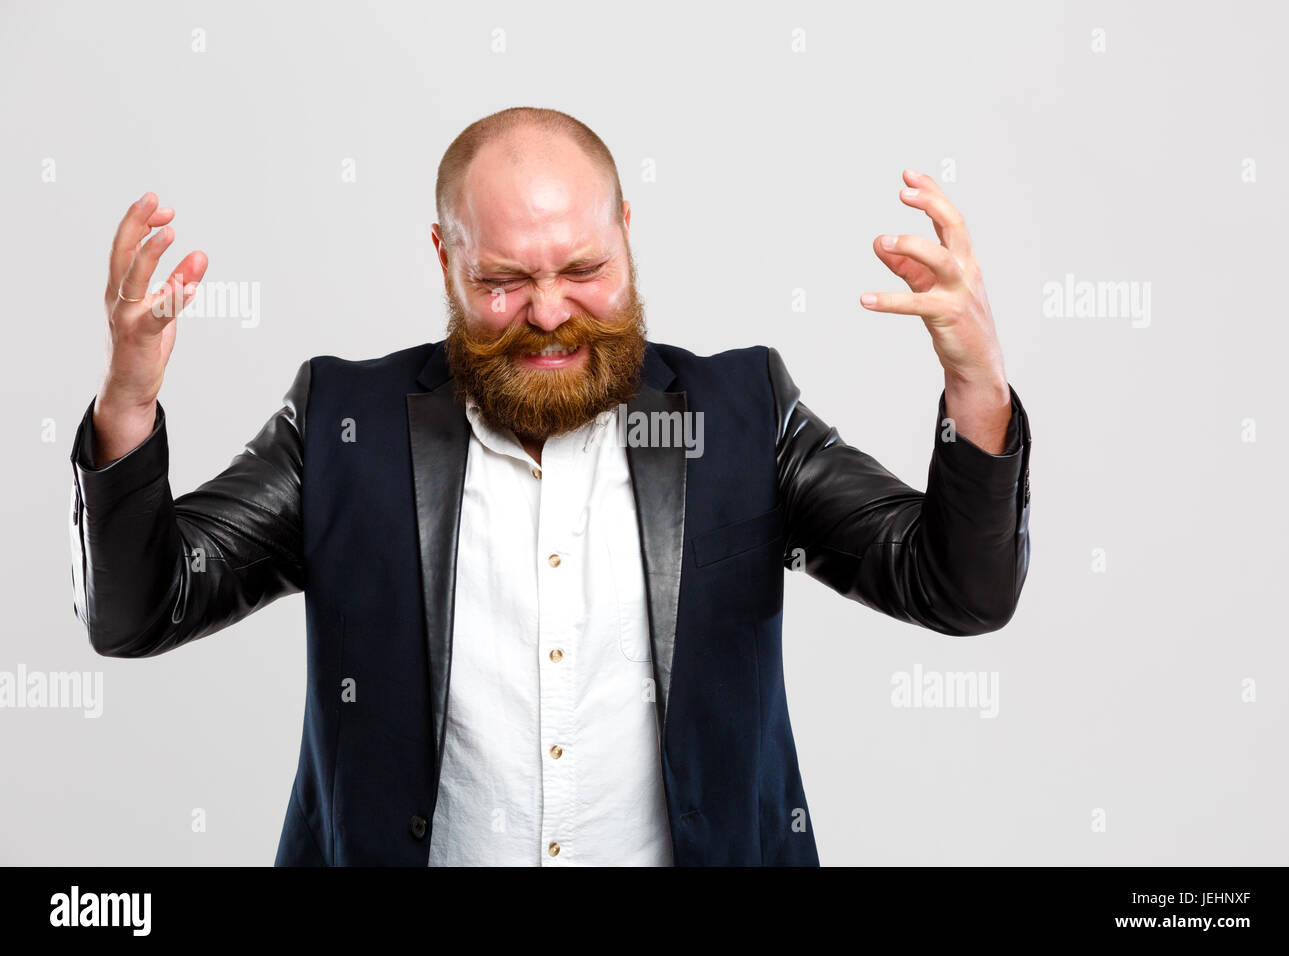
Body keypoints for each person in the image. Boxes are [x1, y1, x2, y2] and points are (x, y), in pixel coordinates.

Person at [68, 106, 1032, 866]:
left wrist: (976, 385)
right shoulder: (342, 424)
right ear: (444, 257)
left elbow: (957, 589)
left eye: (584, 269)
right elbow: (142, 610)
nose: (548, 314)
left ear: (627, 232)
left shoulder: (740, 412)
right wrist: (128, 400)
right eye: (502, 281)